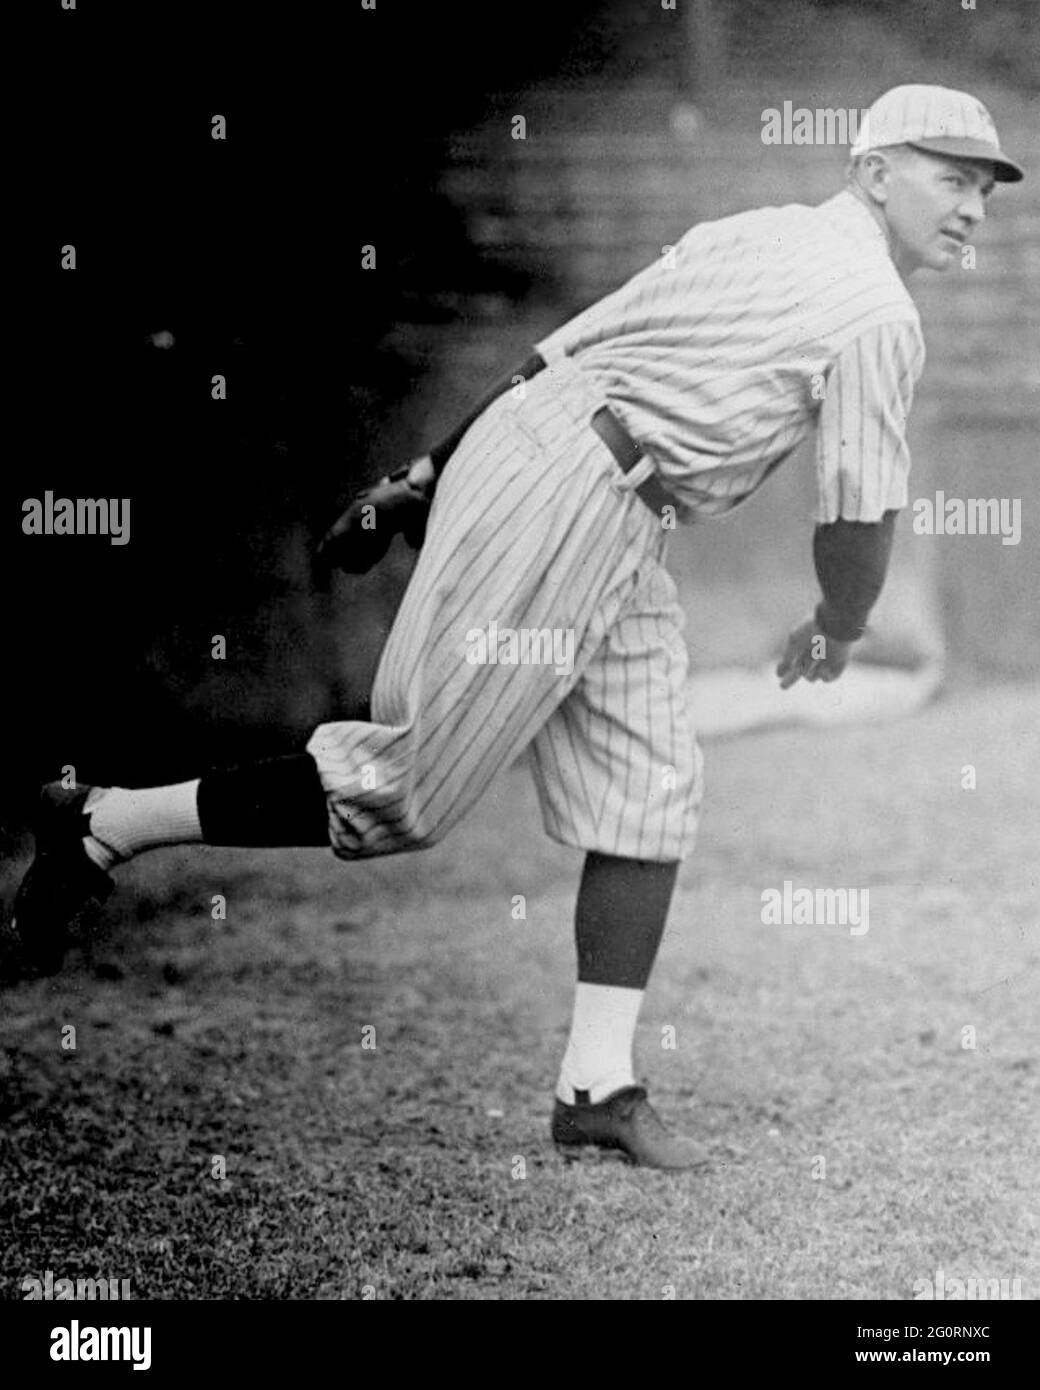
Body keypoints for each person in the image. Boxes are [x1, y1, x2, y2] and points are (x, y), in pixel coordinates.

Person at [5, 85, 1023, 1170]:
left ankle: (595, 1085)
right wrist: (834, 627)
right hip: (576, 491)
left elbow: (560, 348)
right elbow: (857, 512)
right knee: (406, 786)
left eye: (980, 188)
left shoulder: (763, 232)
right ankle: (106, 819)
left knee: (647, 784)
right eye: (945, 177)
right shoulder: (875, 309)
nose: (968, 207)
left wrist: (423, 470)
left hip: (597, 490)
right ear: (872, 172)